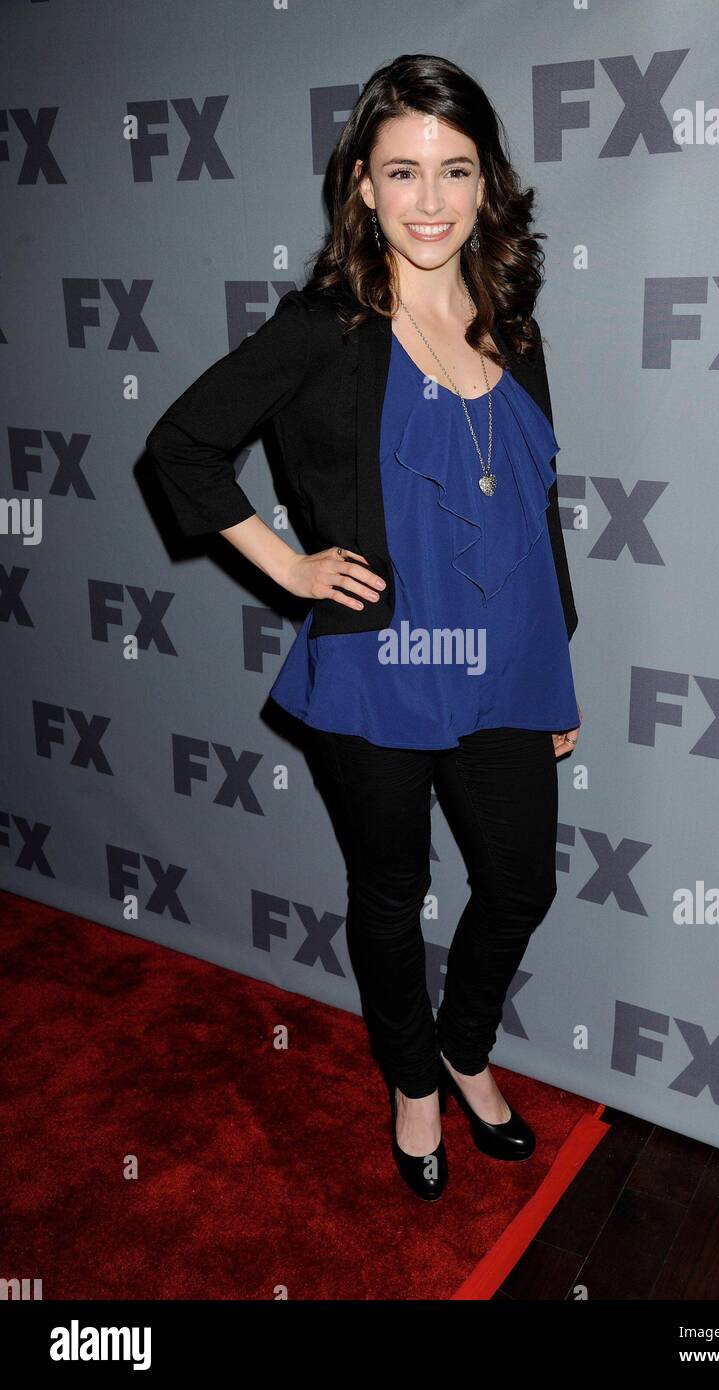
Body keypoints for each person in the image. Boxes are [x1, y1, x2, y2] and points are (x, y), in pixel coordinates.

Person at [146, 53, 583, 1204]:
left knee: (519, 885)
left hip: (505, 670)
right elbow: (182, 446)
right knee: (391, 896)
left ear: (489, 185)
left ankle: (465, 1045)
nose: (430, 199)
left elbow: (533, 517)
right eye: (403, 172)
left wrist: (557, 677)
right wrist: (288, 562)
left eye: (455, 170)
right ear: (363, 187)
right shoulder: (326, 328)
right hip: (378, 671)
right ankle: (414, 1084)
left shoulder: (515, 329)